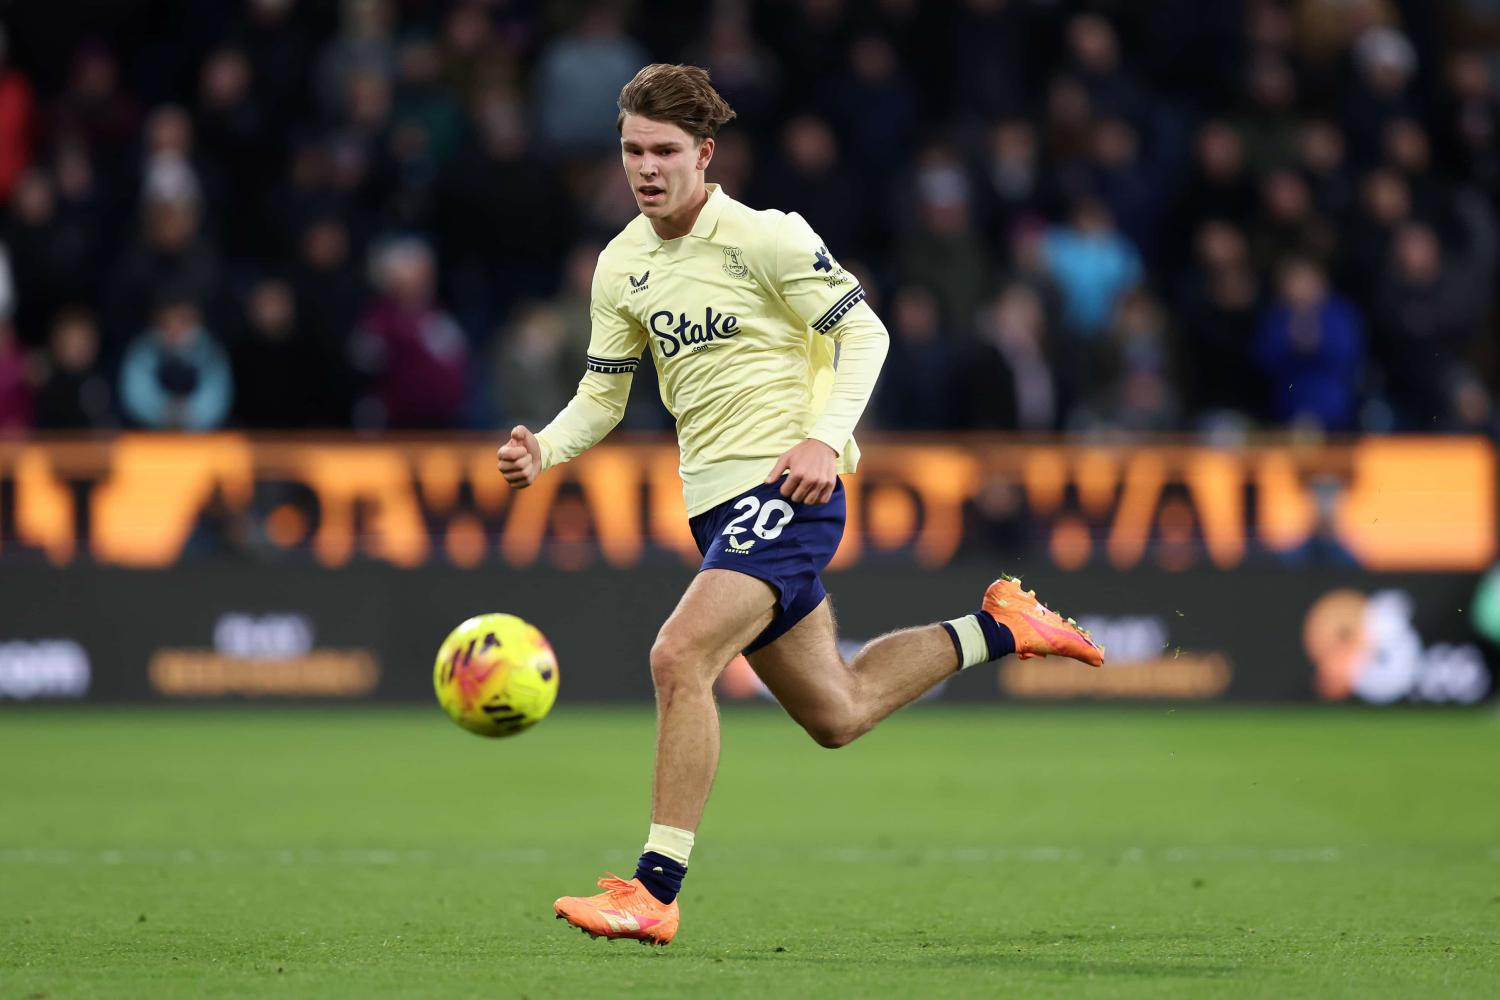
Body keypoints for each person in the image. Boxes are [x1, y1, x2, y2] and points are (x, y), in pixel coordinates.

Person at [495, 64, 1104, 947]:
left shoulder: (767, 236)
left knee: (678, 656)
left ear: (704, 153)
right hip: (715, 511)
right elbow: (603, 395)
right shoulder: (621, 263)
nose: (646, 168)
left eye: (664, 150)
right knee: (838, 711)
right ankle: (1002, 626)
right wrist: (544, 448)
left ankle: (653, 892)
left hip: (788, 488)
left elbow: (866, 331)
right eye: (632, 150)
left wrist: (824, 438)